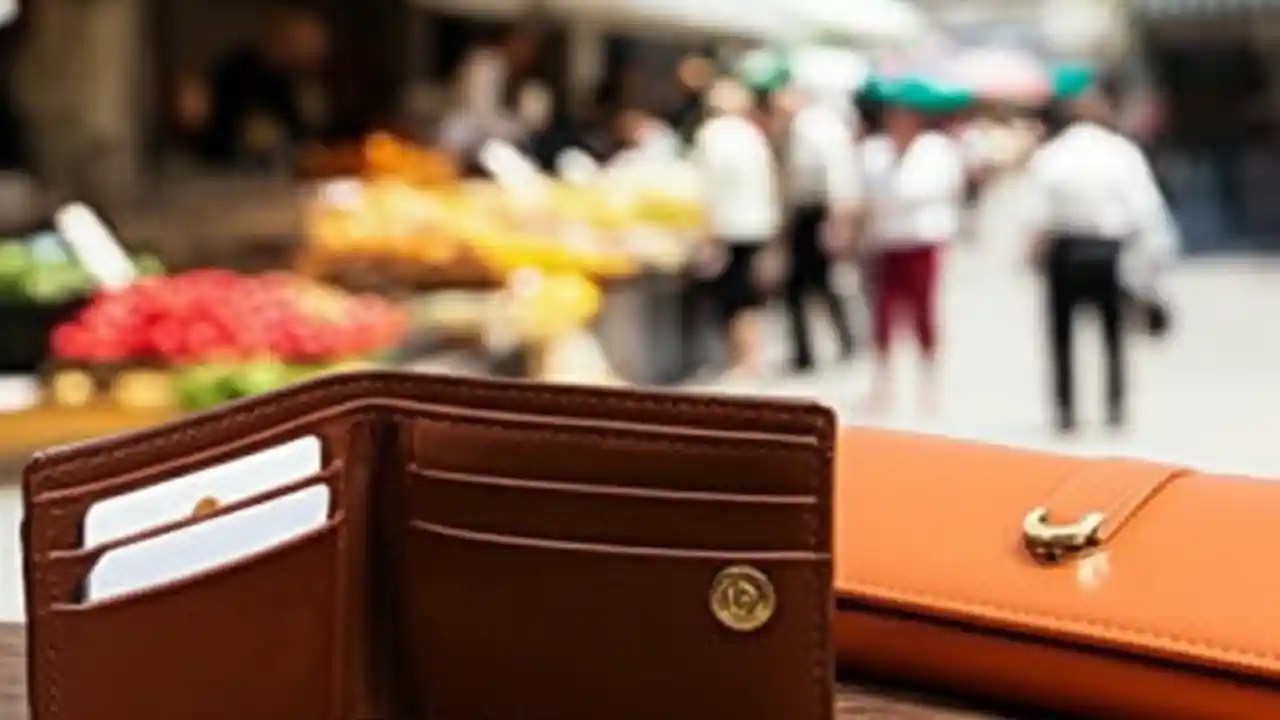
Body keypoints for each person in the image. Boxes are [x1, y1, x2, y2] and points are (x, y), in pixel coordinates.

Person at [1026, 87, 1177, 433]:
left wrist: (1032, 254)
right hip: (1107, 249)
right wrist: (1148, 261)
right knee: (1113, 333)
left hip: (1065, 247)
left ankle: (1066, 411)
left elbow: (1036, 211)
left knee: (1061, 334)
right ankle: (1114, 407)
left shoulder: (1053, 153)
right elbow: (1144, 208)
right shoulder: (1121, 152)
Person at [858, 97, 966, 413]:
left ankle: (928, 382)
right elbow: (863, 196)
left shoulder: (936, 151)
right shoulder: (874, 153)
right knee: (883, 313)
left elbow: (949, 190)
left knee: (923, 312)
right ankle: (883, 383)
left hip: (923, 239)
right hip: (886, 241)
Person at [690, 79, 782, 379]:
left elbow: (704, 186)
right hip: (757, 224)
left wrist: (705, 229)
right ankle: (751, 357)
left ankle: (741, 358)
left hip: (726, 225)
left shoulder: (710, 136)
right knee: (748, 295)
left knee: (731, 298)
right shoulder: (753, 135)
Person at [779, 82, 860, 371]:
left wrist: (837, 217)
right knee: (809, 285)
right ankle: (817, 347)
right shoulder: (815, 125)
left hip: (816, 211)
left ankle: (824, 346)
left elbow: (830, 172)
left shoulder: (813, 127)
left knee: (815, 283)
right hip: (811, 211)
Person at [200, 8, 332, 165]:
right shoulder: (237, 70)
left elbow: (308, 135)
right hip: (228, 173)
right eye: (308, 47)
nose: (314, 58)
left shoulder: (298, 82)